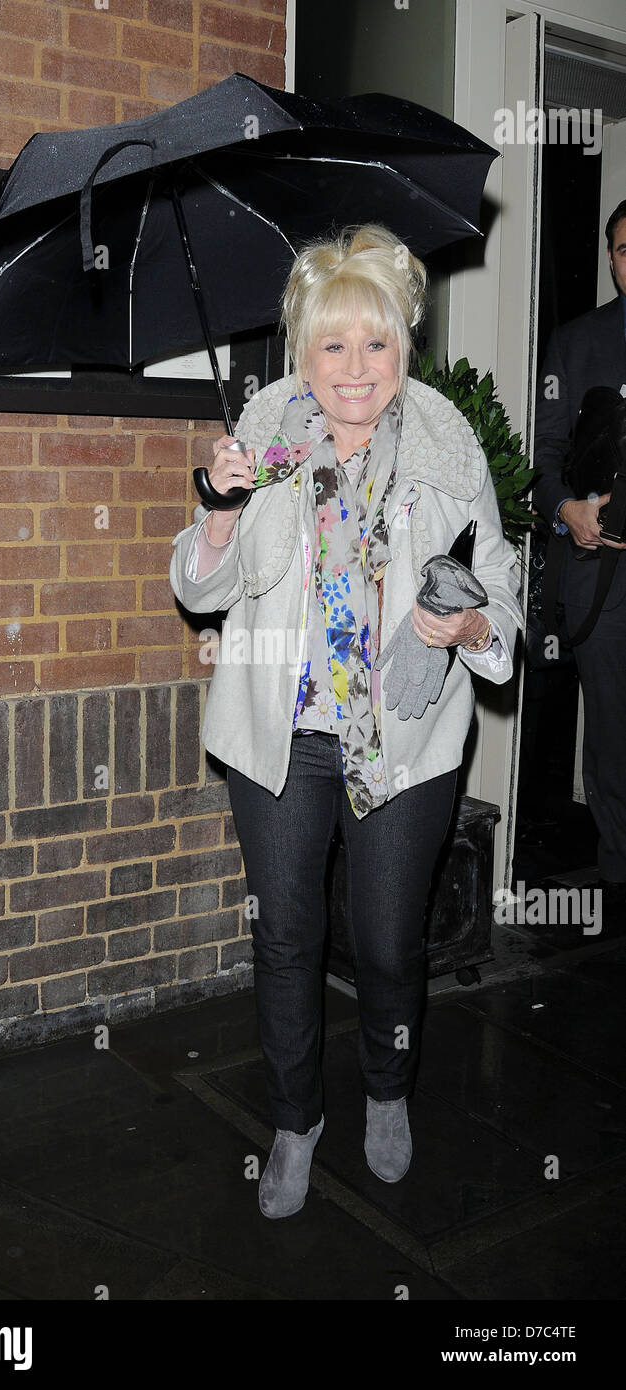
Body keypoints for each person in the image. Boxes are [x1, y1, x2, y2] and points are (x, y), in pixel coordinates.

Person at [170, 224, 523, 1219]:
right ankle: (293, 1119)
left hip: (402, 744)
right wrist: (220, 511)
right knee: (284, 936)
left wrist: (468, 623)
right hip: (280, 740)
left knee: (385, 943)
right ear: (303, 352)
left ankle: (384, 1091)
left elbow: (500, 589)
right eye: (332, 344)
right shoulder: (264, 443)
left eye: (374, 342)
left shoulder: (448, 451)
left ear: (402, 346)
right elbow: (199, 589)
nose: (354, 367)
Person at [533, 199, 626, 909]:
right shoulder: (574, 343)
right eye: (623, 249)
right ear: (609, 257)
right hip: (603, 578)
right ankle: (620, 878)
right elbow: (542, 455)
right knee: (613, 731)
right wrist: (567, 512)